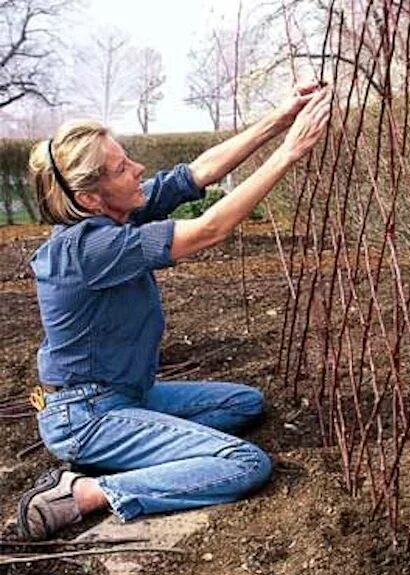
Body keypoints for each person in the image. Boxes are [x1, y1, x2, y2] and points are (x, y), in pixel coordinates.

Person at [16, 83, 332, 541]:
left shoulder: (117, 214)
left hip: (127, 393)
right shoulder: (90, 248)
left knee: (243, 403)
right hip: (84, 412)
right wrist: (288, 154)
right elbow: (210, 229)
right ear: (89, 199)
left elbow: (197, 172)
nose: (138, 170)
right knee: (244, 462)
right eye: (123, 168)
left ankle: (134, 444)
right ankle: (87, 492)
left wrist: (280, 119)